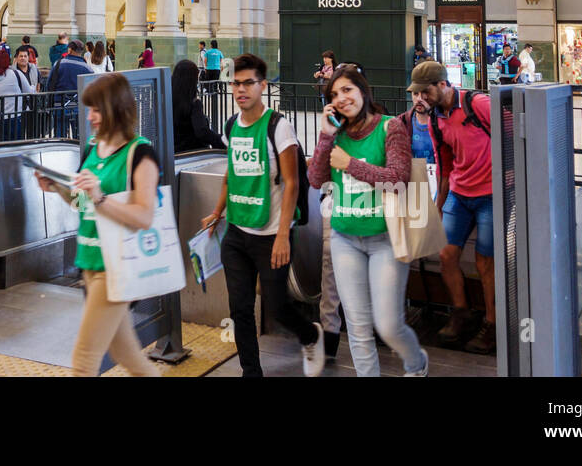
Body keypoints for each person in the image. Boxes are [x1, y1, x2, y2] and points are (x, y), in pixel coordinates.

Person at [204, 53, 325, 377]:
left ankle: (310, 335)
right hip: (237, 233)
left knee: (277, 307)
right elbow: (231, 174)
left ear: (262, 85)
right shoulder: (232, 126)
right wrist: (217, 212)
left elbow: (291, 183)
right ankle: (251, 372)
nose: (241, 89)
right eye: (236, 83)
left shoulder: (278, 126)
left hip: (271, 234)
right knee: (240, 308)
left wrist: (283, 235)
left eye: (248, 83)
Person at [34, 72, 161, 377]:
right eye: (88, 109)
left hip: (116, 268)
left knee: (84, 360)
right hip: (89, 264)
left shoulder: (140, 154)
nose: (89, 117)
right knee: (127, 355)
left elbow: (144, 217)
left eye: (96, 110)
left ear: (116, 109)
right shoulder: (94, 149)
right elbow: (83, 204)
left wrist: (101, 197)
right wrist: (58, 188)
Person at [310, 64, 428, 376]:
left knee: (388, 326)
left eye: (347, 89)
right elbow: (317, 180)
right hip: (344, 239)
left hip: (385, 239)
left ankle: (417, 364)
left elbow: (399, 179)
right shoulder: (336, 135)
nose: (341, 98)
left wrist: (350, 164)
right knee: (359, 331)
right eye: (334, 94)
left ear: (363, 91)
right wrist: (325, 137)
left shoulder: (391, 127)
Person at [409, 59, 497, 355]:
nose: (420, 99)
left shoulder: (478, 104)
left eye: (425, 92)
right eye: (417, 94)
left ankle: (493, 324)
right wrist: (438, 204)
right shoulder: (436, 119)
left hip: (490, 195)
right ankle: (461, 312)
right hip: (459, 194)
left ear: (443, 85)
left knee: (486, 262)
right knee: (446, 254)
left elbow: (511, 133)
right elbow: (444, 162)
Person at [171, 60, 226, 154]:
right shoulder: (194, 104)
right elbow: (202, 132)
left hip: (173, 153)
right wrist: (222, 140)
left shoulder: (165, 102)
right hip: (194, 153)